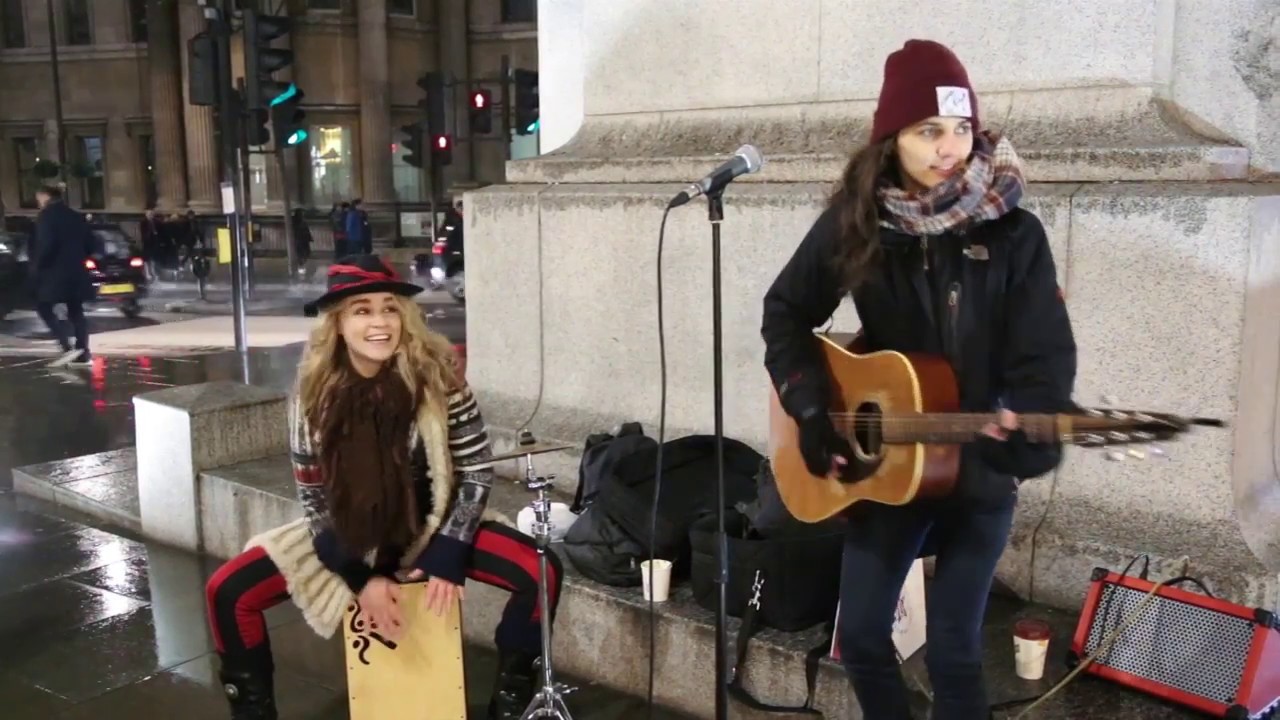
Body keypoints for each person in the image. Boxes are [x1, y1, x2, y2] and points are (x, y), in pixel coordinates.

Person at [760, 40, 1076, 720]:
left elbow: (1043, 357)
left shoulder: (1014, 233)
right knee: (865, 639)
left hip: (980, 474)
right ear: (890, 139)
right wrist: (812, 408)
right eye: (929, 130)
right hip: (892, 469)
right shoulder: (858, 222)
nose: (949, 147)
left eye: (961, 129)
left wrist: (1034, 428)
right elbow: (785, 313)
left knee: (954, 650)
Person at [204, 254, 562, 720]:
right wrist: (360, 577)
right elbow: (313, 497)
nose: (379, 323)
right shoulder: (311, 394)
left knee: (542, 572)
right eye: (362, 310)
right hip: (349, 535)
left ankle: (512, 710)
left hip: (433, 522)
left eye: (389, 307)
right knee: (227, 592)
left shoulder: (441, 377)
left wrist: (449, 551)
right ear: (337, 324)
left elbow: (475, 469)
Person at [31, 184, 96, 367]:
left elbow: (46, 245)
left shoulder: (46, 216)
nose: (38, 202)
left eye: (39, 198)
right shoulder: (76, 216)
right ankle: (83, 350)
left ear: (46, 196)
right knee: (76, 310)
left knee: (43, 306)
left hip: (54, 272)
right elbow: (91, 244)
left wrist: (37, 267)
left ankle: (66, 346)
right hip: (76, 270)